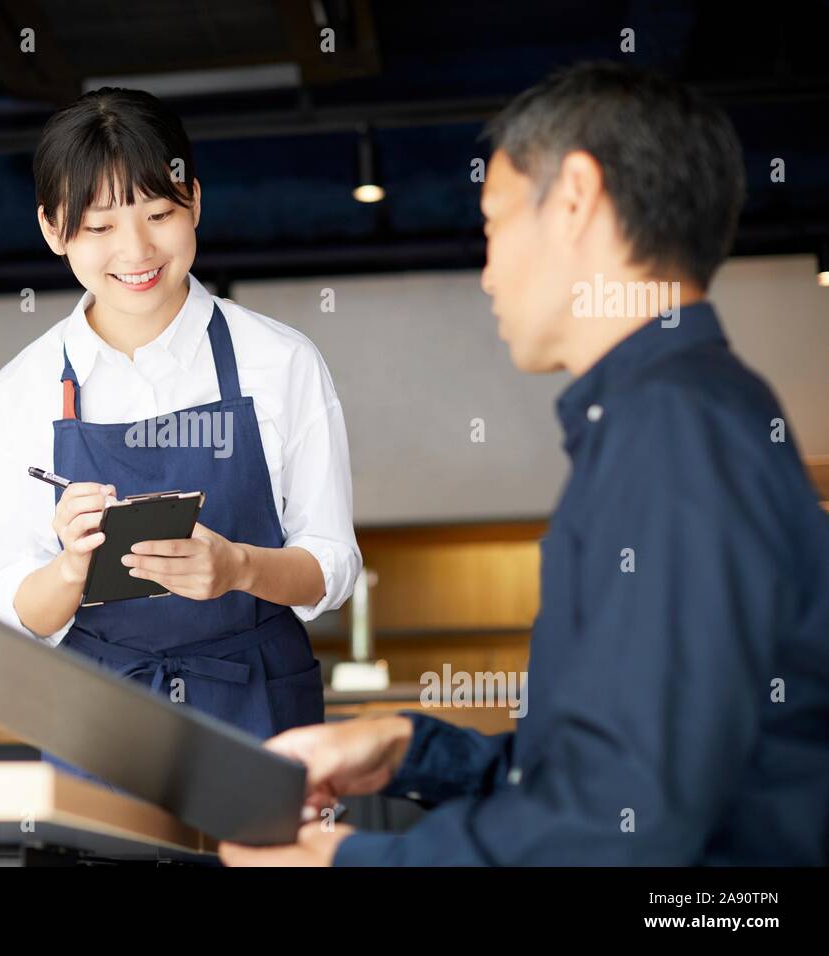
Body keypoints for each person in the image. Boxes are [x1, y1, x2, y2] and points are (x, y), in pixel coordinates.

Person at [221, 61, 829, 866]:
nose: (488, 271)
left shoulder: (676, 431)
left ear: (575, 199)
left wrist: (347, 865)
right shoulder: (672, 418)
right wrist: (409, 748)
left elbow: (624, 824)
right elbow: (604, 778)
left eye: (493, 222)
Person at [0, 88, 361, 783]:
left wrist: (240, 568)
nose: (136, 251)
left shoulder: (280, 361)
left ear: (195, 205)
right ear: (52, 230)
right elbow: (14, 600)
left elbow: (332, 565)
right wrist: (69, 569)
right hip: (98, 713)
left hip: (258, 702)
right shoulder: (20, 391)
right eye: (98, 228)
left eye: (159, 214)